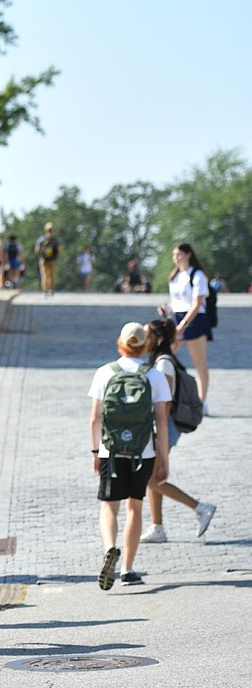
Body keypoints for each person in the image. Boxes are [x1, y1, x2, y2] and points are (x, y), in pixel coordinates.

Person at [88, 323, 170, 589]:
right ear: (146, 345)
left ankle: (110, 548)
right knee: (134, 506)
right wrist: (163, 458)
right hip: (142, 450)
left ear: (120, 342)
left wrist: (95, 451)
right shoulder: (154, 376)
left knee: (109, 506)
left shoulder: (104, 372)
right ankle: (127, 569)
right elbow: (161, 421)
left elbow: (94, 419)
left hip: (110, 450)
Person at [140, 318, 216, 544]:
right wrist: (166, 317)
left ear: (158, 338)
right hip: (162, 425)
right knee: (153, 477)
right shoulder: (164, 356)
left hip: (166, 426)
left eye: (147, 335)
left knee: (152, 479)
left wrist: (157, 432)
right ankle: (157, 527)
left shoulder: (163, 363)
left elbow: (165, 403)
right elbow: (172, 339)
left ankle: (200, 507)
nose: (144, 340)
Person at [166, 242, 212, 408]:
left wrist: (184, 324)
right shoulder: (175, 276)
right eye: (174, 255)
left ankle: (201, 401)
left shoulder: (197, 275)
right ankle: (167, 397)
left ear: (188, 255)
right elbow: (176, 300)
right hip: (178, 318)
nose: (176, 258)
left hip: (194, 320)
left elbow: (197, 303)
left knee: (199, 362)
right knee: (166, 355)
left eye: (179, 255)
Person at [35, 222, 60, 297]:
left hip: (43, 259)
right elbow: (59, 250)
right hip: (52, 259)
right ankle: (51, 290)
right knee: (52, 275)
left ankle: (45, 290)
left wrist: (41, 255)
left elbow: (37, 250)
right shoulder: (55, 239)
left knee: (44, 275)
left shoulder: (41, 239)